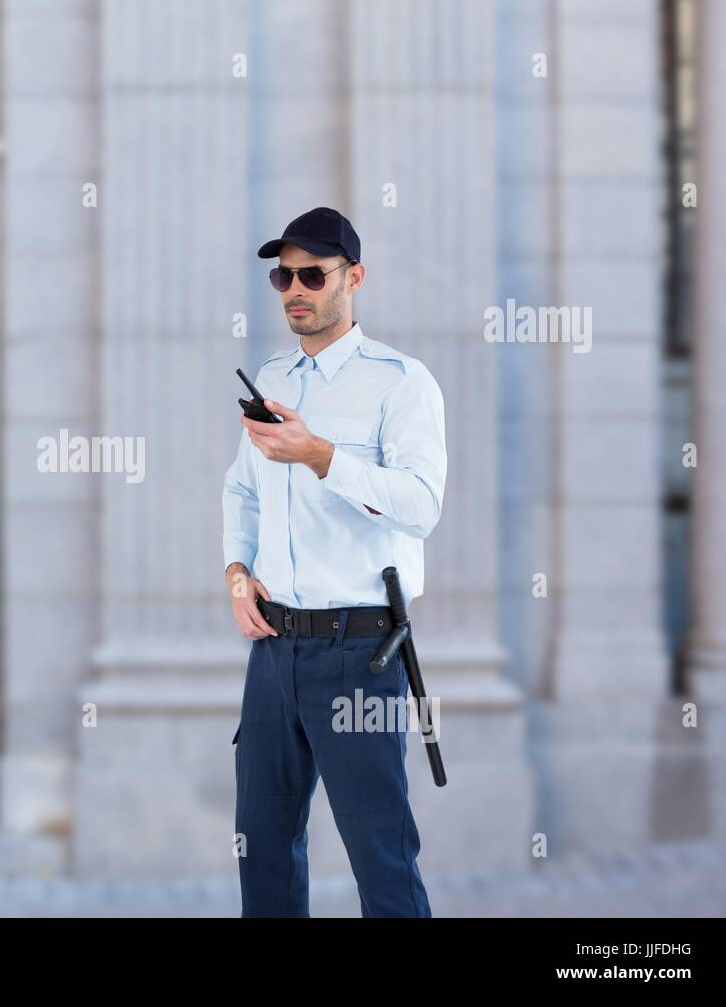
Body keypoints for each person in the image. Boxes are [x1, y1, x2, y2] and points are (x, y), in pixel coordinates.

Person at [222, 207, 447, 918]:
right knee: (262, 850)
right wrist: (236, 572)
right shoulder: (272, 375)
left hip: (360, 654)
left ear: (354, 278)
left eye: (312, 274)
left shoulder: (400, 383)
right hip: (274, 654)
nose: (295, 288)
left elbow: (419, 505)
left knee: (380, 857)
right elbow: (241, 489)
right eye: (282, 275)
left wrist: (322, 456)